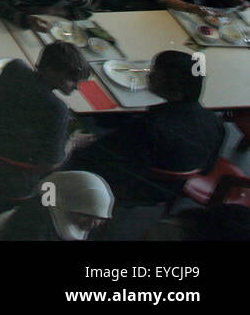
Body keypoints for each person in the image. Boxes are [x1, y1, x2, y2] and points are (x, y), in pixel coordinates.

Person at [68, 50, 225, 205]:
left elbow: (100, 150)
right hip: (171, 188)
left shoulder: (150, 126)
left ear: (176, 93)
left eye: (154, 76)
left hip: (136, 185)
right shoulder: (215, 123)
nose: (148, 76)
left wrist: (79, 142)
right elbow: (206, 169)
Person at [0, 42, 91, 205]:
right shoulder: (58, 109)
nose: (77, 87)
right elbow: (52, 162)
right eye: (72, 80)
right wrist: (74, 142)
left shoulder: (15, 68)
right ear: (51, 71)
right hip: (15, 182)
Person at [0, 171, 114, 241]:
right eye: (86, 216)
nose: (92, 223)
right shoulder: (35, 221)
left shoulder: (68, 215)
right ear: (68, 202)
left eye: (99, 218)